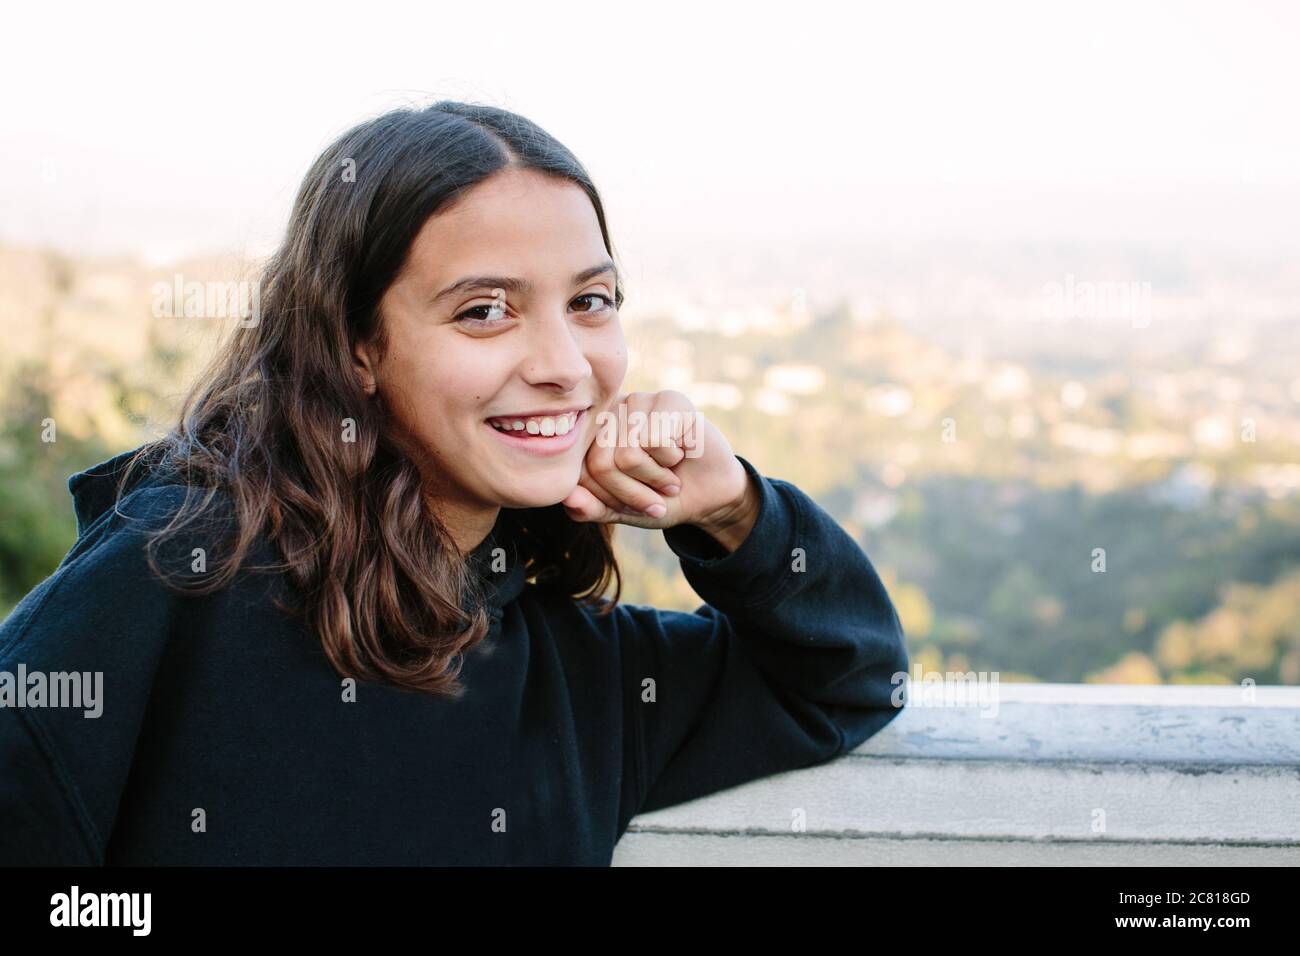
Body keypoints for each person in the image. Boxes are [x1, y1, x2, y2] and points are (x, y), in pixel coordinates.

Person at [0, 101, 908, 865]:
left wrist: (735, 507)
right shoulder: (176, 571)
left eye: (590, 301)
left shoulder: (580, 674)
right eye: (485, 311)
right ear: (356, 346)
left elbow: (846, 679)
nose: (563, 364)